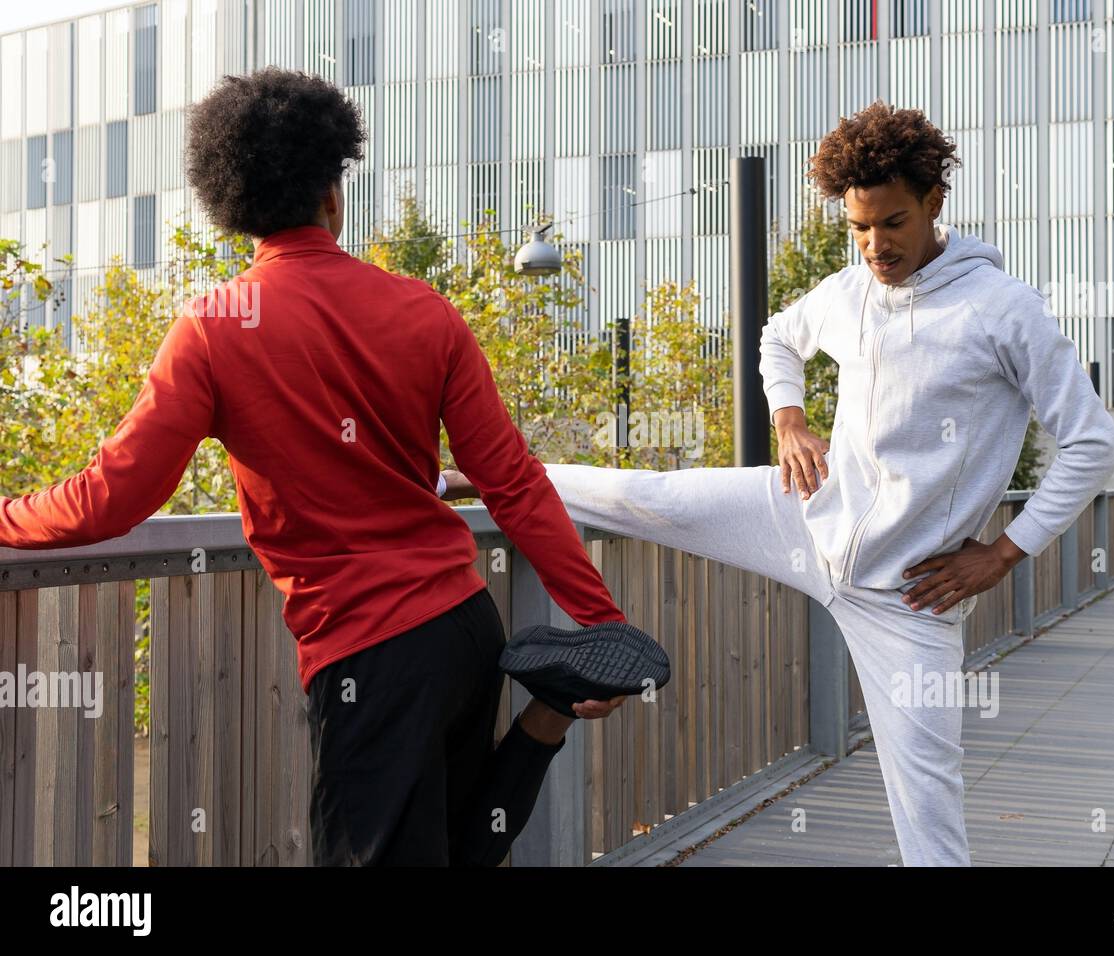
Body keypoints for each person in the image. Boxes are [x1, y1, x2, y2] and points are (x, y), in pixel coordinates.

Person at [442, 100, 1114, 866]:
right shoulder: (850, 290)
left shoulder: (1003, 310)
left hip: (910, 598)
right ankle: (467, 479)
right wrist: (791, 420)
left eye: (892, 223)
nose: (875, 245)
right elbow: (777, 339)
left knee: (929, 816)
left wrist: (1003, 553)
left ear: (935, 202)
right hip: (806, 515)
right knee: (649, 496)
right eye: (858, 227)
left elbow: (1093, 442)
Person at [0, 68, 652, 867]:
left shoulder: (213, 328)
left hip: (368, 654)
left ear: (234, 207)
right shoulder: (425, 311)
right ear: (332, 195)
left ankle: (544, 722)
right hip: (464, 624)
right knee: (458, 844)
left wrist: (5, 516)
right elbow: (513, 482)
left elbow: (112, 499)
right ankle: (544, 720)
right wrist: (599, 620)